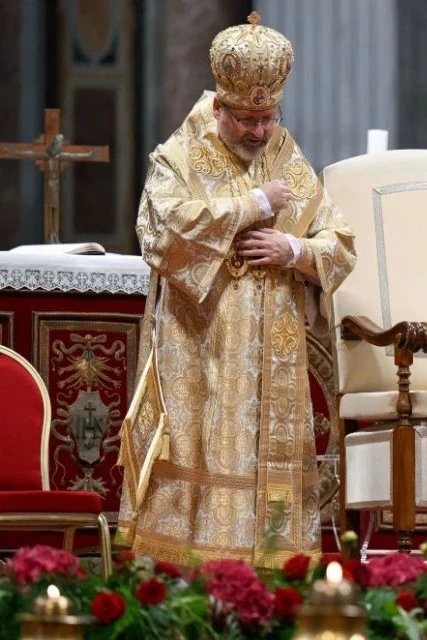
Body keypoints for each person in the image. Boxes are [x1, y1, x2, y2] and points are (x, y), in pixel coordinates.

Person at [115, 12, 357, 567]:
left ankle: (274, 576)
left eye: (267, 118)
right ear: (218, 107)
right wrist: (251, 207)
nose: (258, 131)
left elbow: (340, 242)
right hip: (198, 345)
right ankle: (185, 585)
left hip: (273, 351)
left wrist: (294, 252)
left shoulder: (282, 153)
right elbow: (160, 231)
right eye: (246, 120)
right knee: (200, 457)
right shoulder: (181, 155)